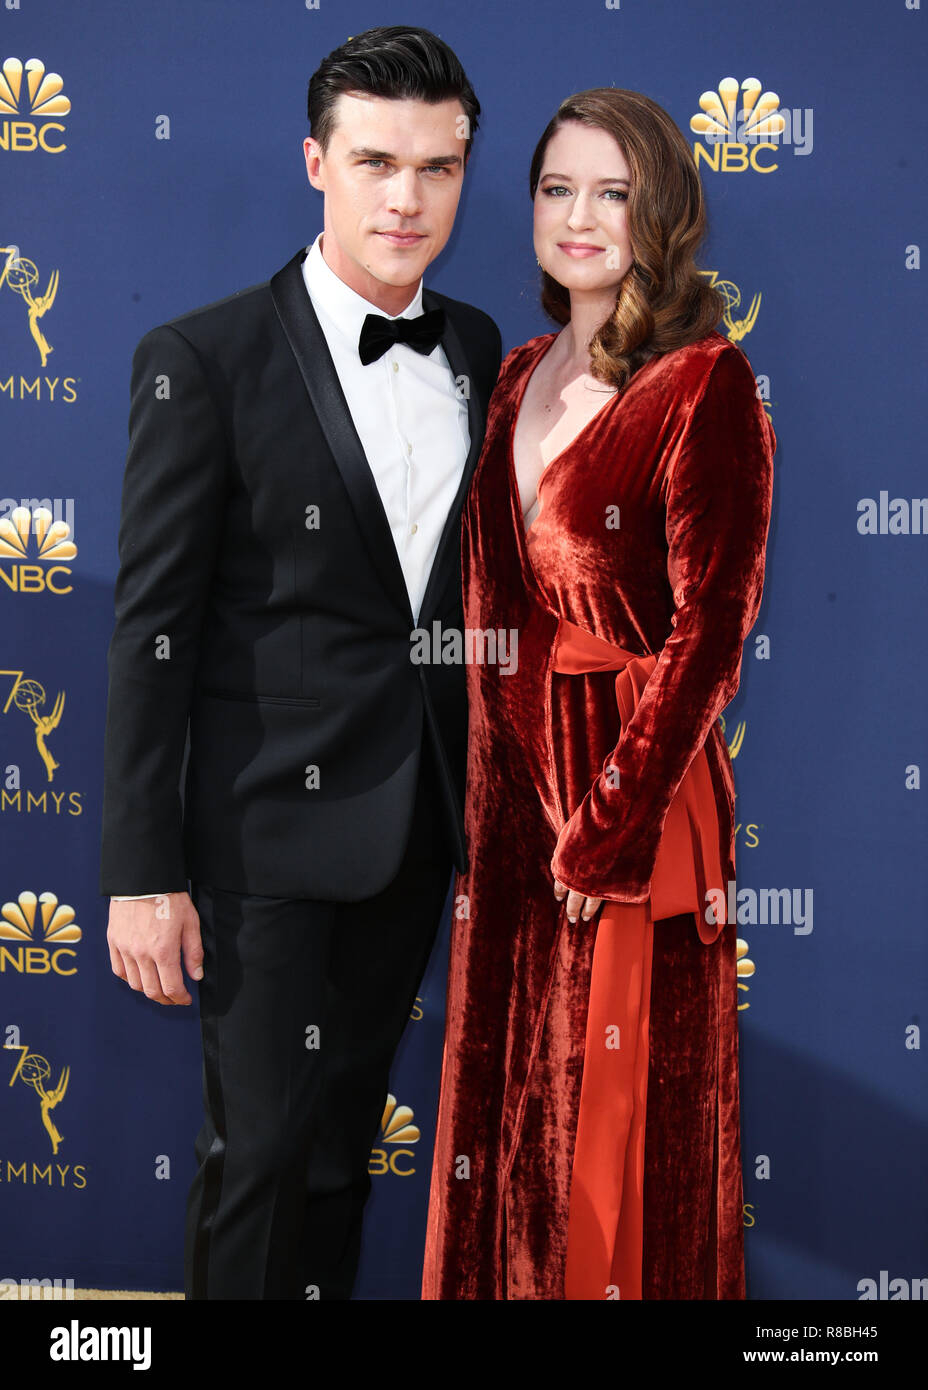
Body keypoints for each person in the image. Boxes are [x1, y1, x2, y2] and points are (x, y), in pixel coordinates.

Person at [98, 25, 501, 1300]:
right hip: (263, 837)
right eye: (376, 160)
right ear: (315, 162)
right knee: (259, 1157)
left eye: (438, 168)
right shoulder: (202, 359)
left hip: (417, 824)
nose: (407, 197)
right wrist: (140, 871)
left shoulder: (482, 350)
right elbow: (149, 633)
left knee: (339, 1156)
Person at [422, 88, 776, 1300]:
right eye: (556, 189)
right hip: (517, 808)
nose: (578, 217)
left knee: (611, 1145)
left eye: (612, 192)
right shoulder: (519, 372)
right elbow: (491, 618)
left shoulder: (702, 384)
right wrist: (496, 813)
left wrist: (607, 835)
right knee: (507, 1122)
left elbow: (708, 637)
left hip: (627, 817)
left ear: (659, 211)